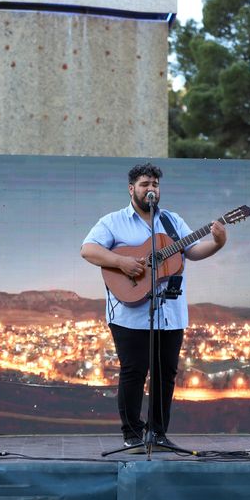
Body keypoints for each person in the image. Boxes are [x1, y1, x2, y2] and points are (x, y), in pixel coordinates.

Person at [80, 162, 227, 452]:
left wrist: (219, 242)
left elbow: (193, 251)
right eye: (145, 184)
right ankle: (133, 433)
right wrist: (122, 262)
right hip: (129, 314)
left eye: (156, 185)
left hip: (170, 316)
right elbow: (88, 249)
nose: (151, 189)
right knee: (134, 372)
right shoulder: (113, 221)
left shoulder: (171, 221)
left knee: (165, 374)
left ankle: (158, 433)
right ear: (131, 188)